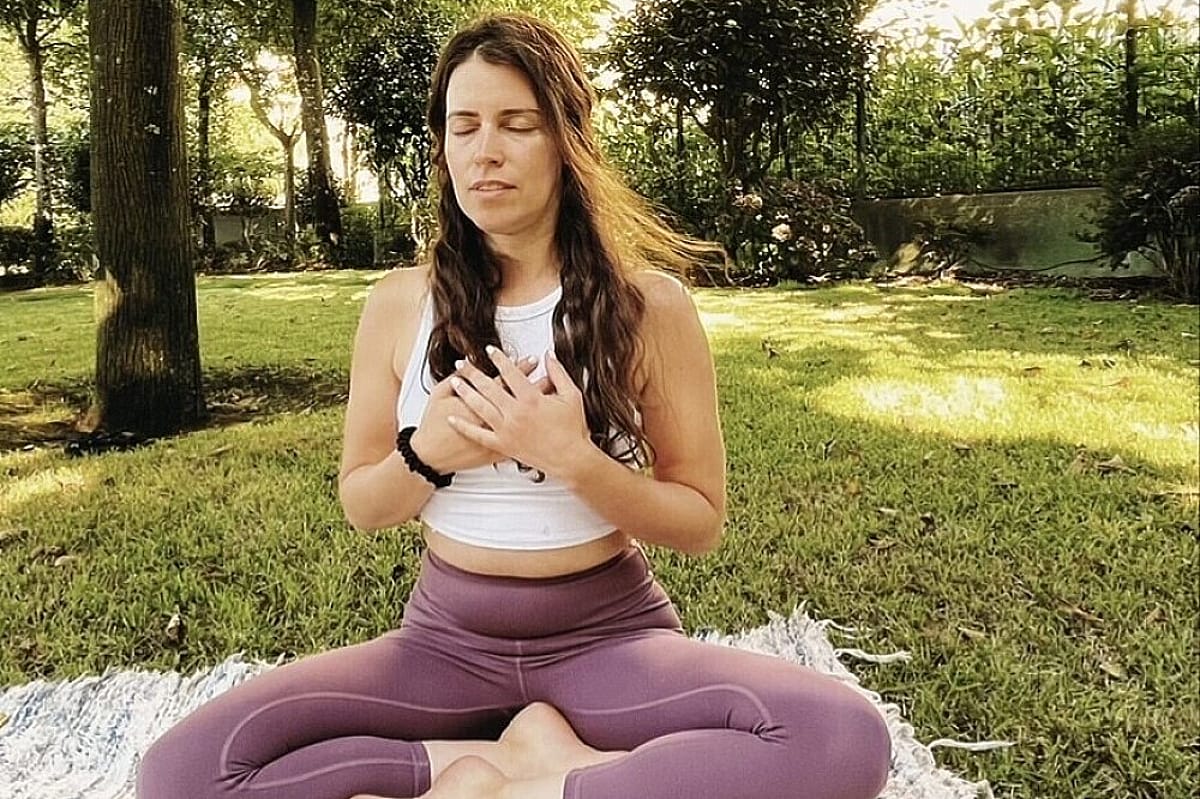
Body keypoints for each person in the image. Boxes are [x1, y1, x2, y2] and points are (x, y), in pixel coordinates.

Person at [137, 13, 891, 799]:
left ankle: (545, 783)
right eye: (464, 126)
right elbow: (363, 504)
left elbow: (698, 520)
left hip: (609, 641)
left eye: (515, 124)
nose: (484, 150)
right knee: (181, 773)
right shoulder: (398, 305)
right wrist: (427, 454)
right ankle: (491, 762)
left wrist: (572, 458)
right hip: (444, 644)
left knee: (842, 738)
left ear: (566, 141)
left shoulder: (650, 308)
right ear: (443, 148)